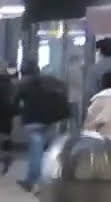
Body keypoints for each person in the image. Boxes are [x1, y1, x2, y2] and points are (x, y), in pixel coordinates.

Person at [14, 59, 70, 194]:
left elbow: (16, 101)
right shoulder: (50, 81)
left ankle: (32, 181)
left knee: (36, 152)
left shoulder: (24, 83)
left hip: (33, 121)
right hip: (51, 119)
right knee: (49, 152)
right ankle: (49, 180)